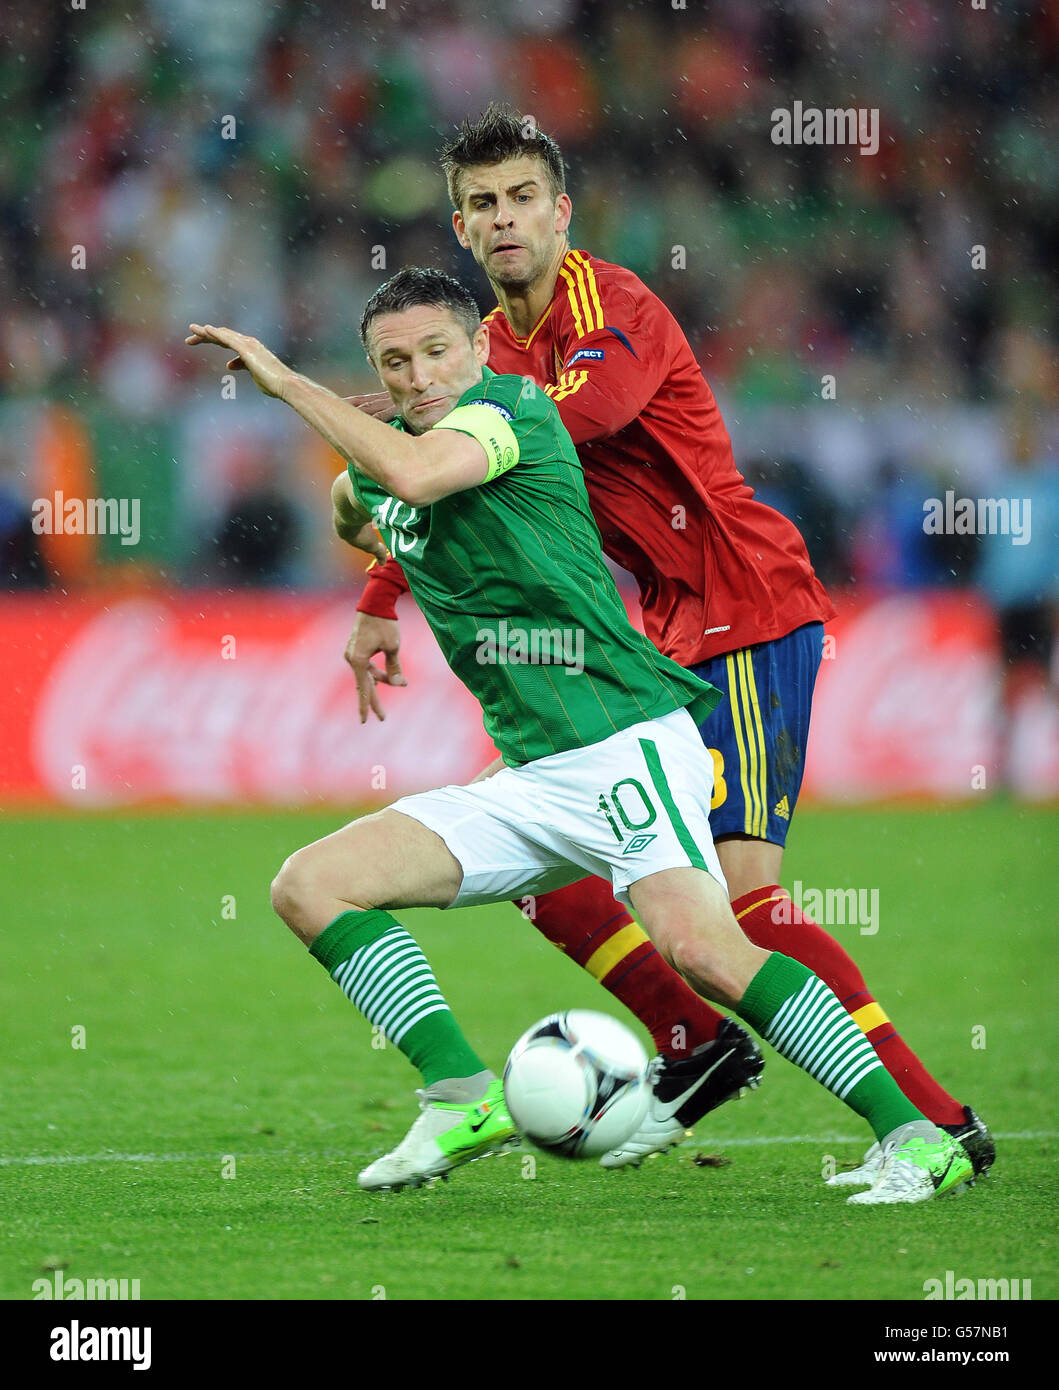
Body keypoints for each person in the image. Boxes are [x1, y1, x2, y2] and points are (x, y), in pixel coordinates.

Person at [186, 268, 973, 1206]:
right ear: (377, 374)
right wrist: (372, 577)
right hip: (531, 777)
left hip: (623, 745)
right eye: (395, 363)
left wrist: (287, 387)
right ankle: (460, 1096)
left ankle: (918, 1136)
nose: (419, 374)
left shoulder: (507, 412)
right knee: (310, 886)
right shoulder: (391, 455)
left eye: (438, 349)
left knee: (710, 951)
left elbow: (408, 476)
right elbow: (370, 503)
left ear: (478, 349)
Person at [343, 106, 993, 1186]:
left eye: (521, 199)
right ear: (460, 228)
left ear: (562, 211)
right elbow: (461, 494)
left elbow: (530, 439)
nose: (504, 221)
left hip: (746, 604)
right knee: (542, 860)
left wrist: (413, 426)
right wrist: (378, 592)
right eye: (482, 205)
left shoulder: (615, 309)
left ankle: (933, 1120)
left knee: (743, 911)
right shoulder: (485, 353)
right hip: (654, 639)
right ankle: (697, 1047)